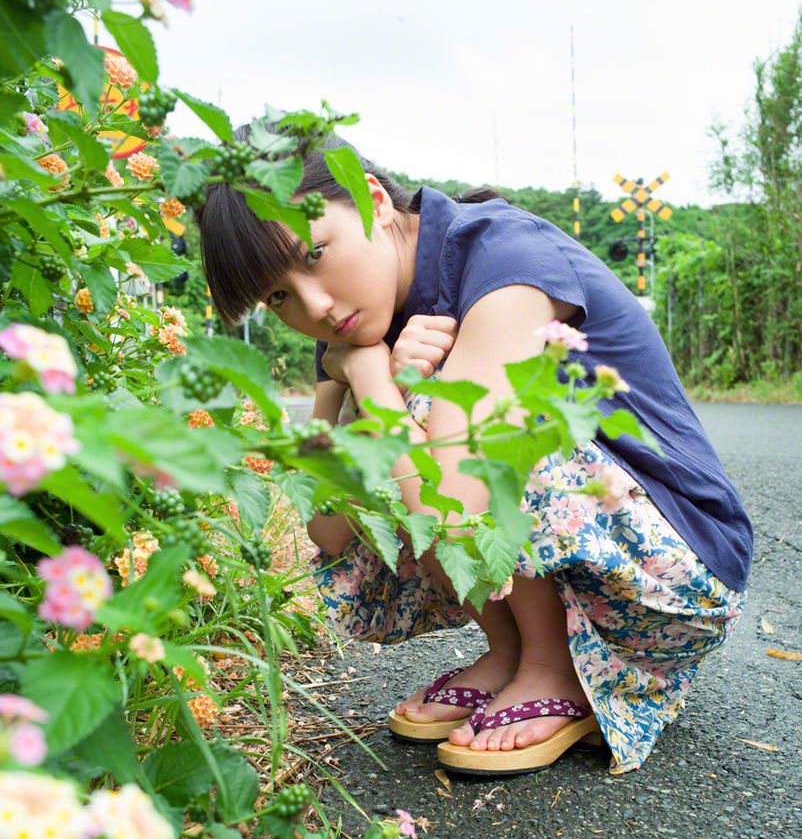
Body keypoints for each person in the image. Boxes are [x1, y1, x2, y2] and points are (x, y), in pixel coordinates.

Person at [197, 127, 752, 777]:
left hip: (675, 572)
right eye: (277, 297)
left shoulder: (501, 259)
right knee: (380, 439)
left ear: (373, 200)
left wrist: (378, 385)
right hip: (591, 555)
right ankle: (512, 652)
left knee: (430, 415)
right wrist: (344, 392)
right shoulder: (356, 322)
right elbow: (328, 530)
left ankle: (554, 670)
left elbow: (454, 509)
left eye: (315, 253)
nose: (314, 306)